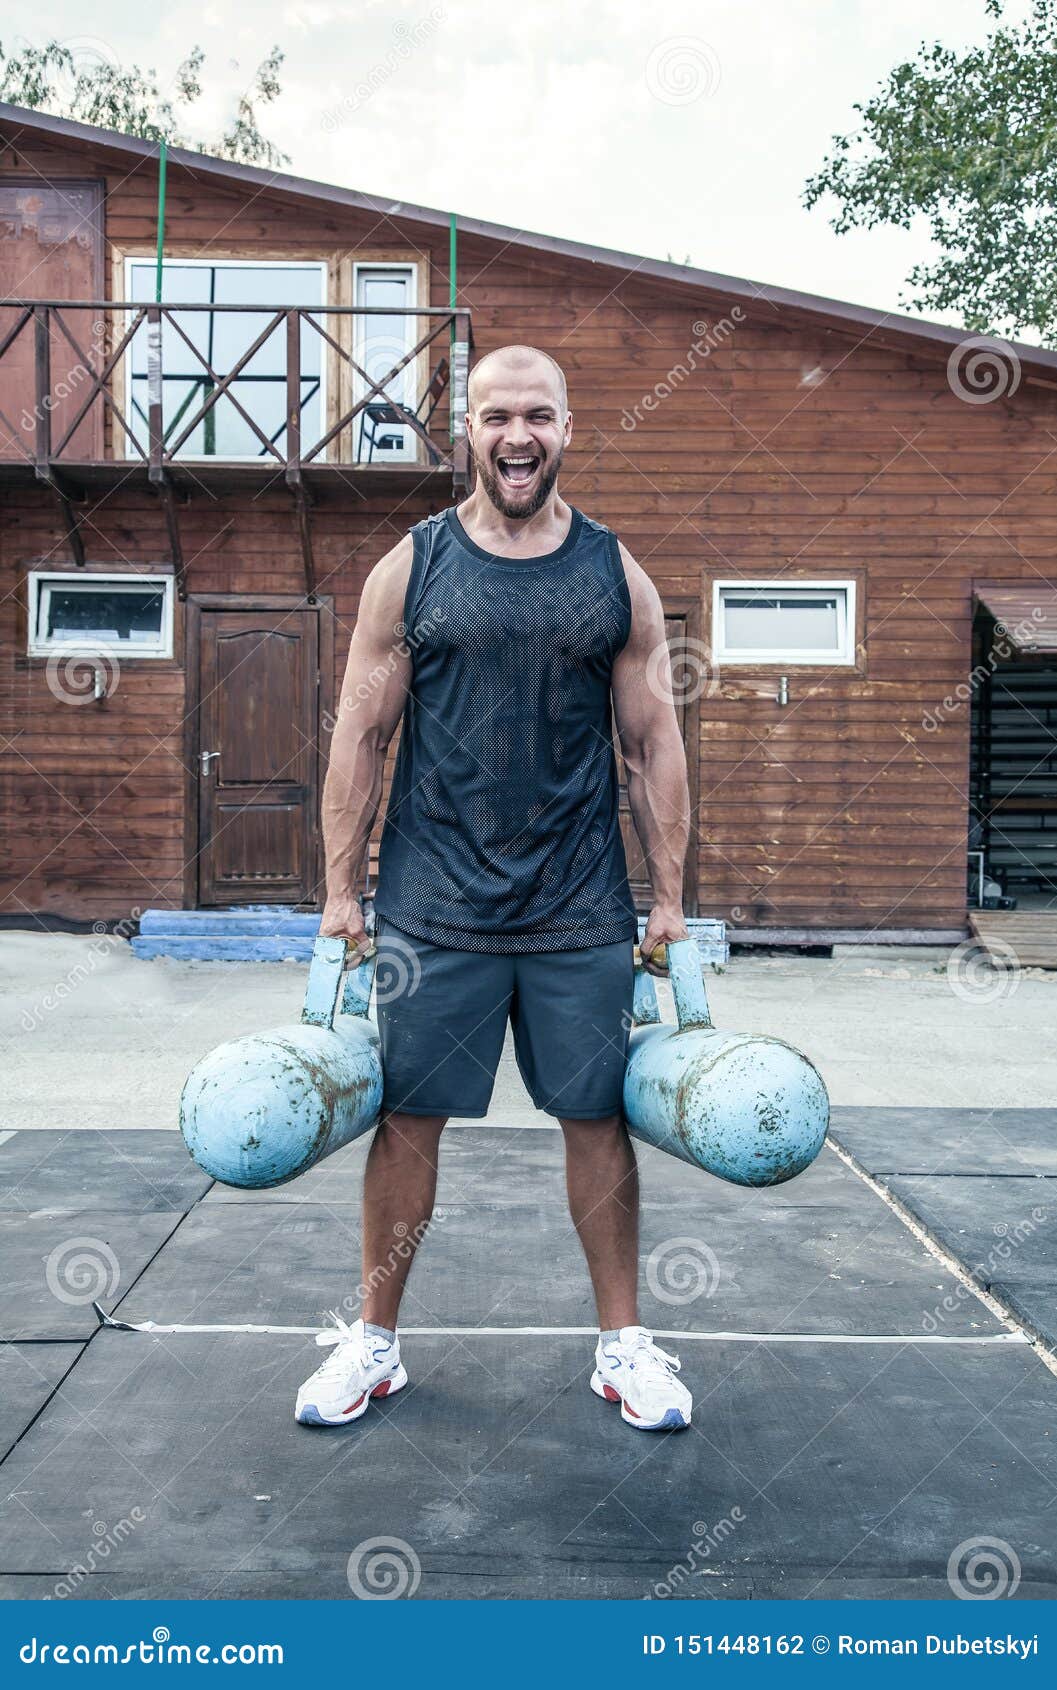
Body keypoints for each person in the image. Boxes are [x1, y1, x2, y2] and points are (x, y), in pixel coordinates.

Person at [296, 344, 694, 1433]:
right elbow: (360, 735)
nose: (518, 435)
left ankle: (621, 1348)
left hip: (577, 904)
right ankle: (375, 1344)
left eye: (538, 415)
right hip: (435, 904)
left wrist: (666, 898)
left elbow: (651, 742)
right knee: (406, 1122)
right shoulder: (411, 568)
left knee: (596, 1121)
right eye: (497, 416)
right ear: (465, 430)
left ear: (567, 428)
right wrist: (341, 891)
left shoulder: (614, 573)